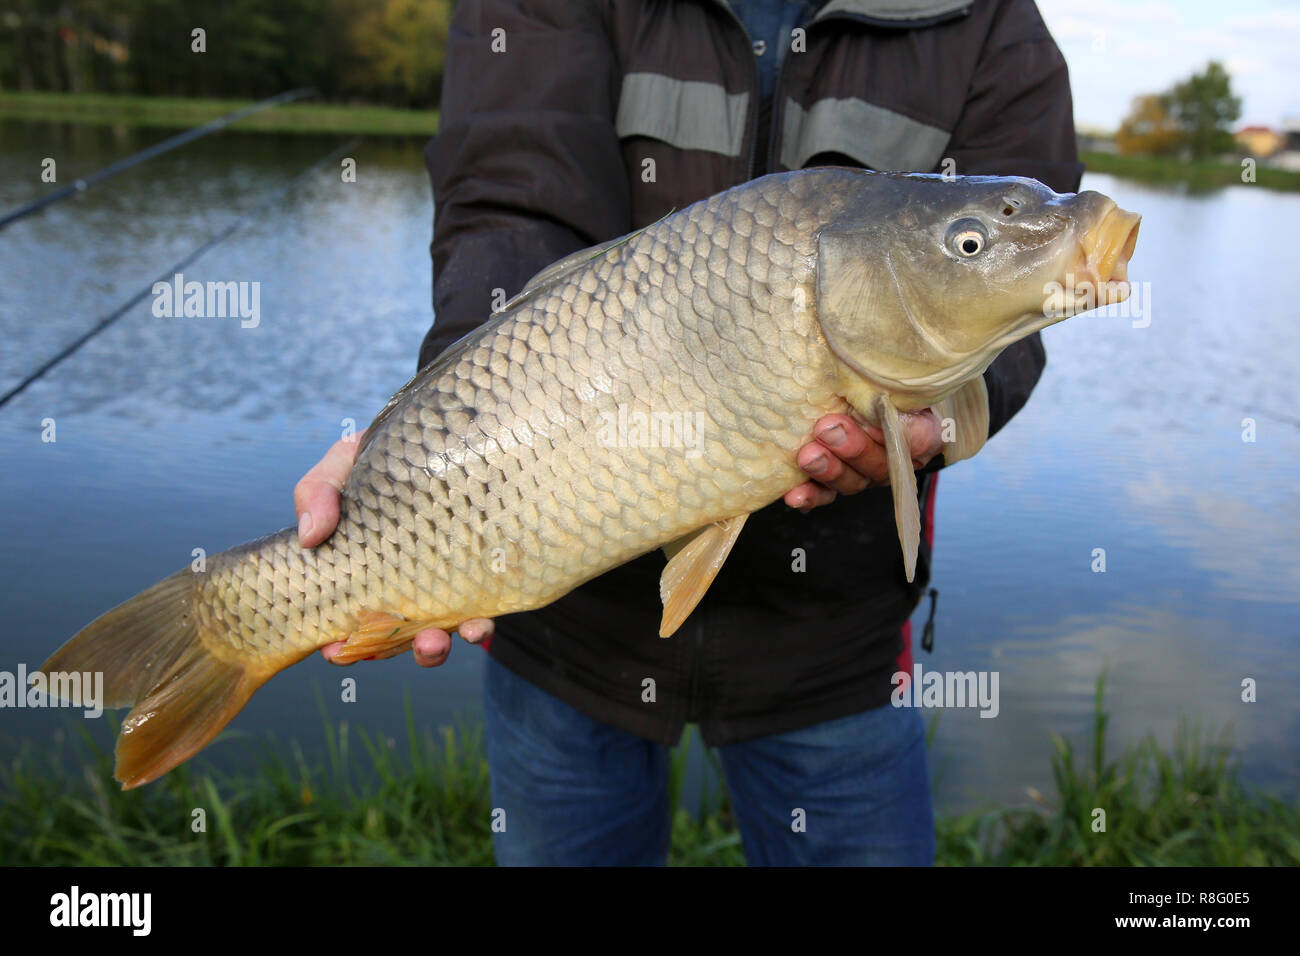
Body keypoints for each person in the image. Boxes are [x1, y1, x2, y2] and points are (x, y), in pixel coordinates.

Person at [294, 0, 1081, 865]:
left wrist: (935, 425)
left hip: (835, 638)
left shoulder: (987, 16)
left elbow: (1015, 300)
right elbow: (511, 200)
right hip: (561, 613)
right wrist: (435, 441)